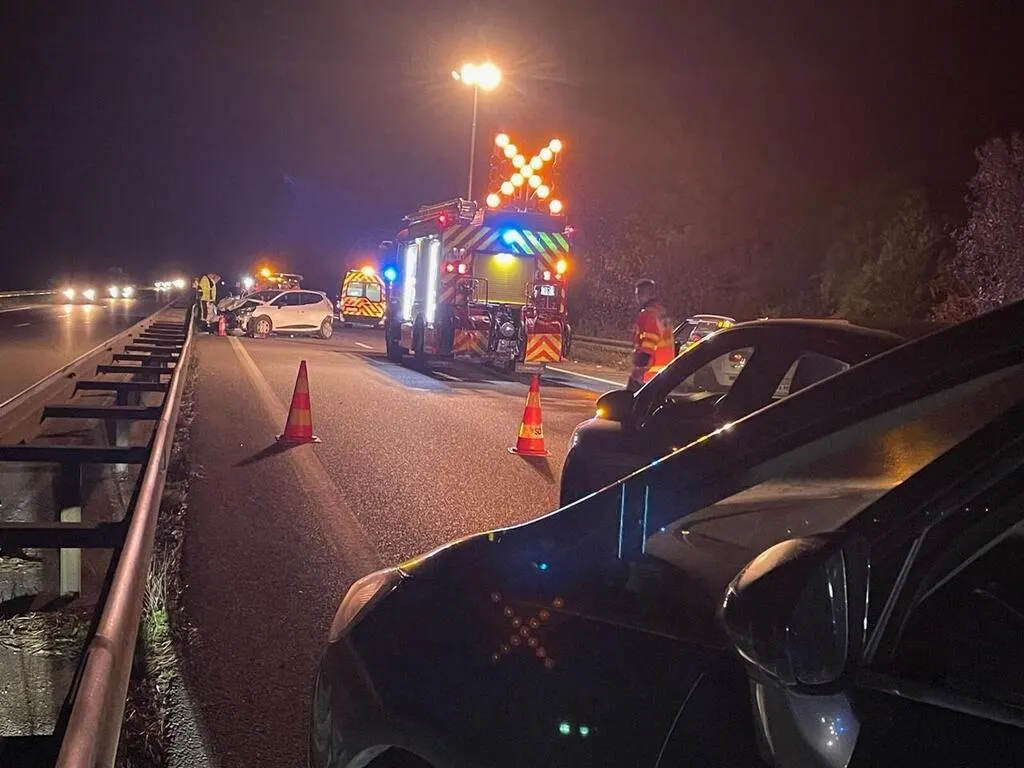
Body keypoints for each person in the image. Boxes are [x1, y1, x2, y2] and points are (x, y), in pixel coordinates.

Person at [628, 278, 674, 391]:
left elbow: (648, 343)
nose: (637, 298)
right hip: (663, 372)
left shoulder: (648, 314)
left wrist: (639, 368)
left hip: (648, 373)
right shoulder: (661, 312)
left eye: (638, 294)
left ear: (644, 294)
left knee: (629, 403)